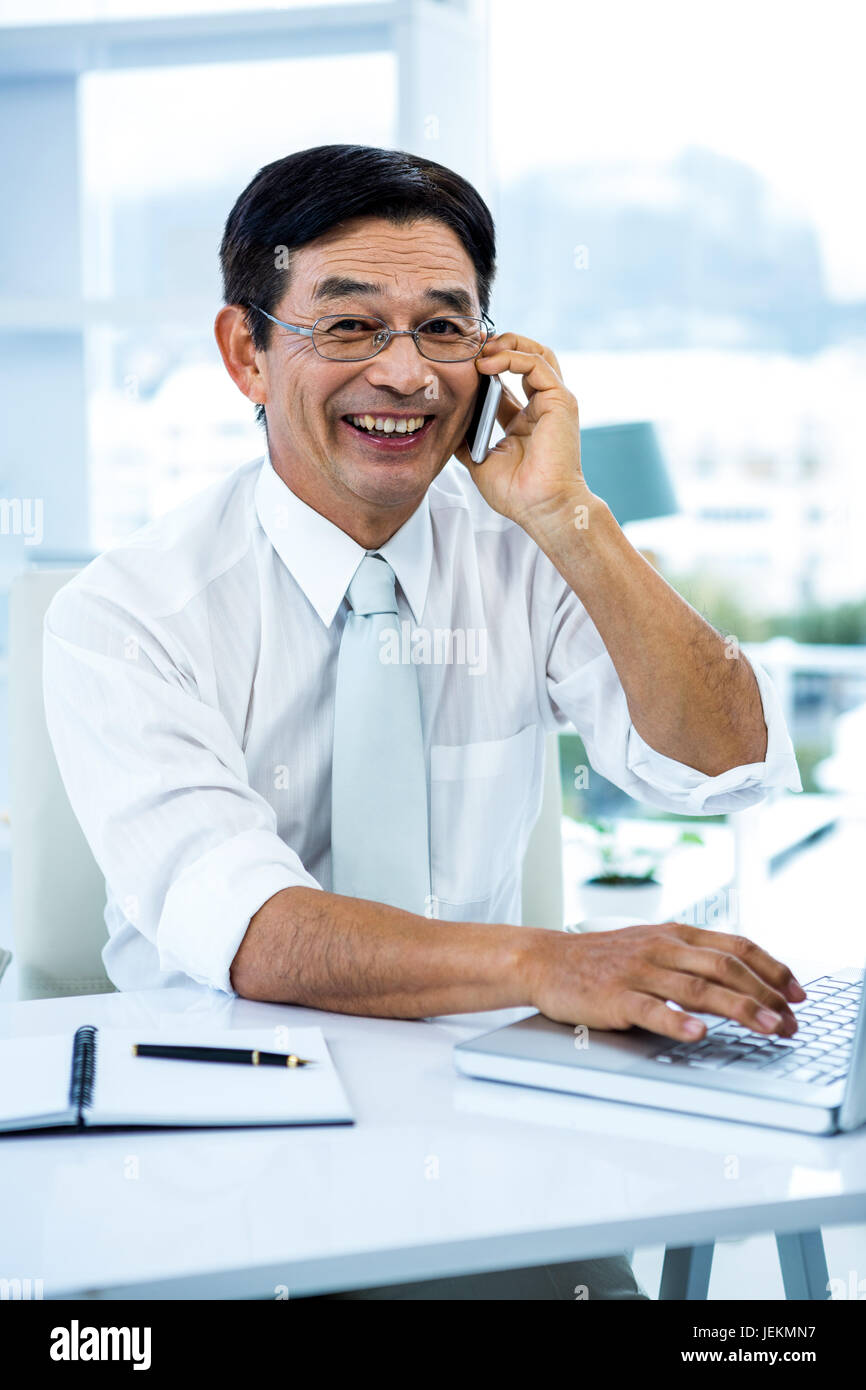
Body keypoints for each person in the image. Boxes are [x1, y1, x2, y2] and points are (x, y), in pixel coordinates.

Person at [44, 145, 804, 1300]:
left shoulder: (525, 550)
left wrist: (570, 515)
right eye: (347, 328)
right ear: (245, 351)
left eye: (443, 329)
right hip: (209, 1146)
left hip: (492, 1126)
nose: (403, 373)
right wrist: (552, 962)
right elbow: (257, 931)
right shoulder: (126, 611)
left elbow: (724, 765)